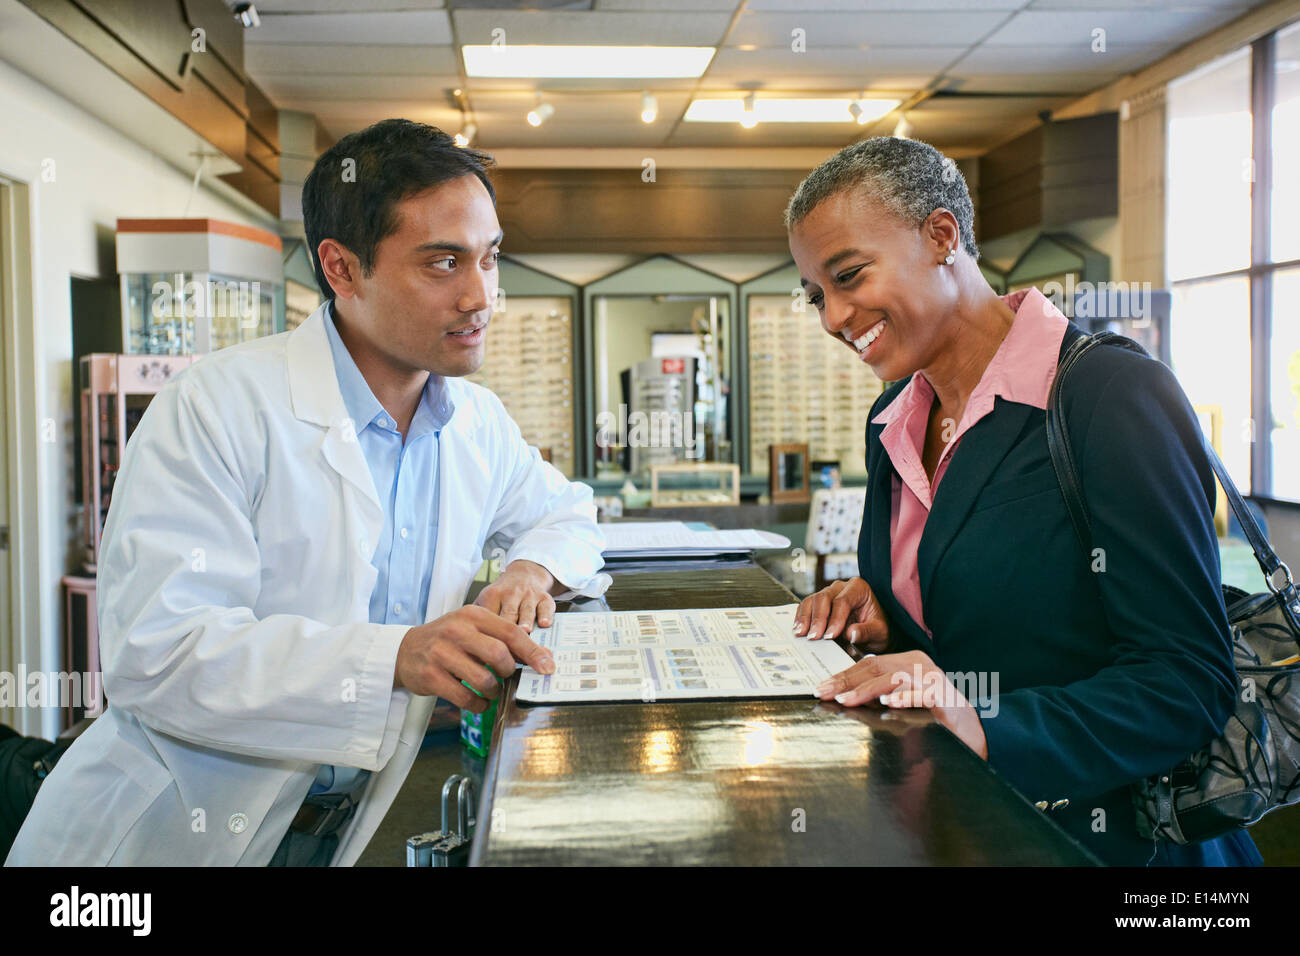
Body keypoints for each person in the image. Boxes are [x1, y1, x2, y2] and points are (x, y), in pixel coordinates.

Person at [6, 119, 608, 866]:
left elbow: (568, 512)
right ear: (341, 268)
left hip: (342, 832)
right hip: (163, 837)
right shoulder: (216, 407)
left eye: (490, 258)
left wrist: (527, 571)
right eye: (443, 263)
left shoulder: (474, 423)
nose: (481, 295)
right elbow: (157, 652)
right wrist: (397, 657)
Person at [786, 136, 1262, 867]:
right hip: (955, 829)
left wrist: (986, 724)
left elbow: (1186, 681)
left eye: (848, 276)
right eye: (816, 294)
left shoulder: (1108, 396)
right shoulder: (892, 421)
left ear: (942, 236)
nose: (831, 317)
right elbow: (974, 623)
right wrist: (890, 608)